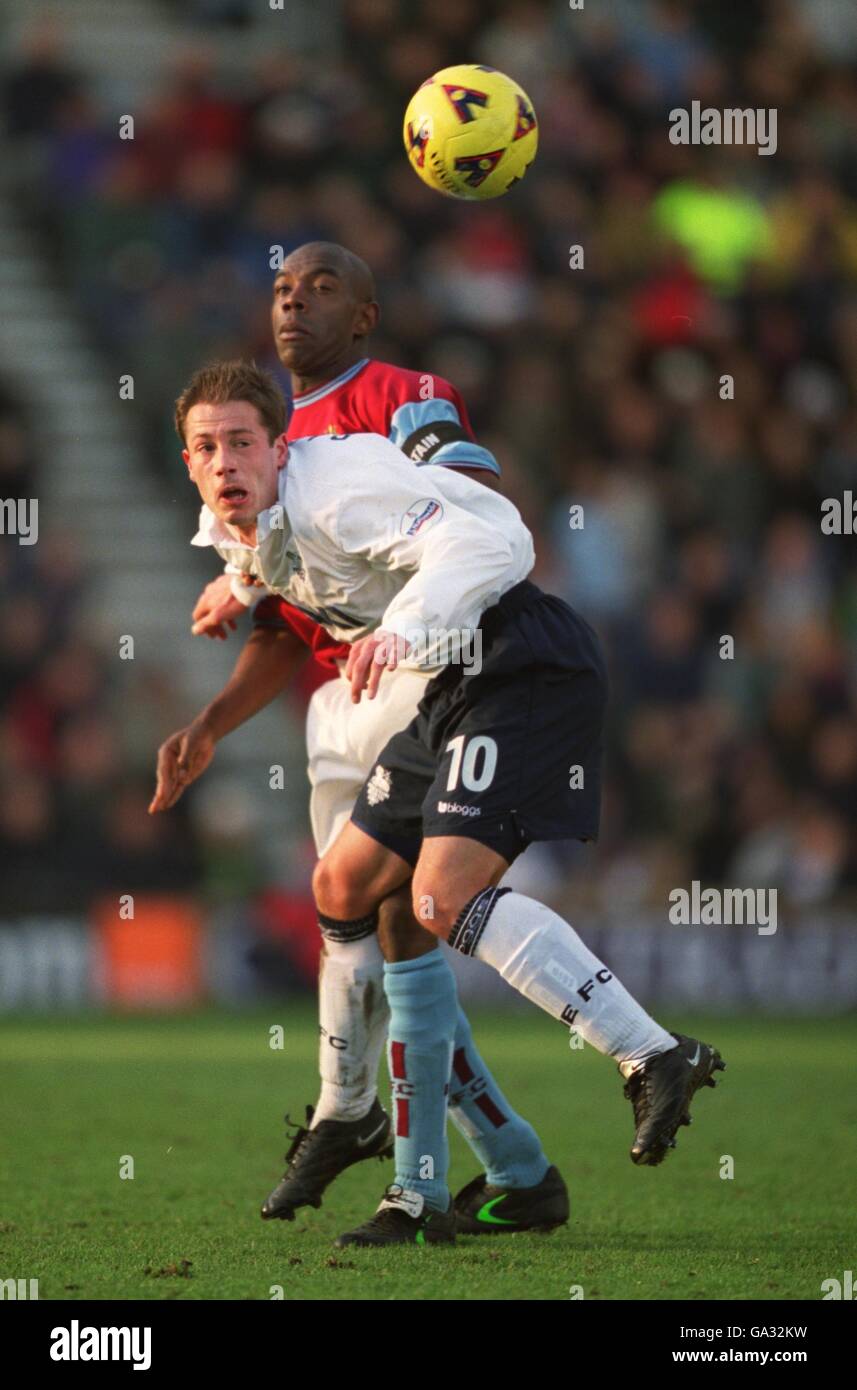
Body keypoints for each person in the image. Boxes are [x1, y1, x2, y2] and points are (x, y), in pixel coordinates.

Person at [161, 358, 725, 1248]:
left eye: (241, 442)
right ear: (186, 461)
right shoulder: (242, 515)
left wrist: (401, 628)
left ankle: (653, 1053)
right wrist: (237, 587)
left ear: (281, 445)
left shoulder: (338, 485)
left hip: (516, 664)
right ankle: (351, 1114)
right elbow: (263, 550)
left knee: (437, 898)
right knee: (343, 886)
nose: (225, 460)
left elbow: (496, 536)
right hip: (444, 684)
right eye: (206, 447)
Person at [153, 258, 568, 1237]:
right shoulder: (254, 444)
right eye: (282, 288)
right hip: (336, 699)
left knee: (398, 916)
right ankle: (508, 1161)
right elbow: (281, 623)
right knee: (384, 942)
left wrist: (311, 572)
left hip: (414, 677)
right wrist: (224, 670)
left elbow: (461, 501)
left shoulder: (398, 395)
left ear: (365, 314)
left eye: (321, 285)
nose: (294, 298)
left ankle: (386, 1144)